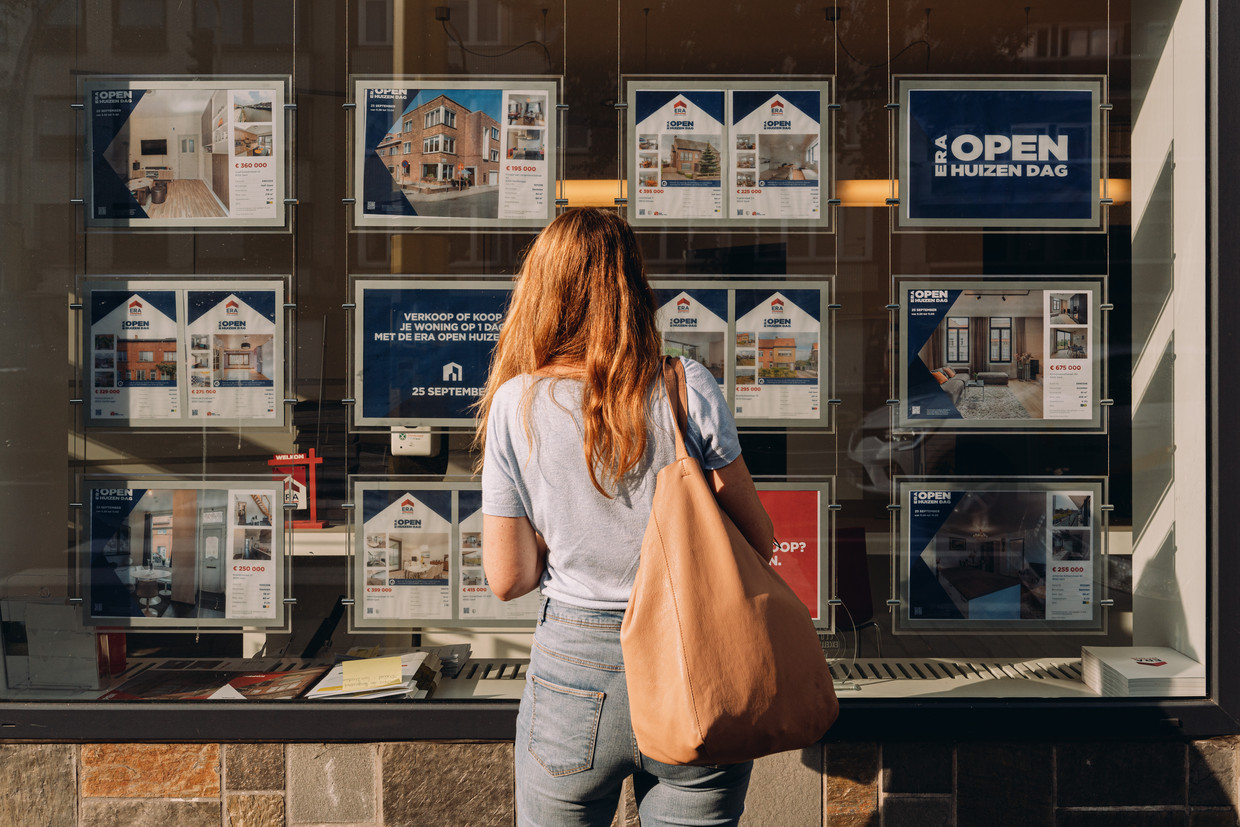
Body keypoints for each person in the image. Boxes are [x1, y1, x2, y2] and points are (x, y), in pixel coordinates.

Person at [475, 208, 774, 826]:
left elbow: (509, 578)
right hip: (696, 658)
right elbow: (759, 541)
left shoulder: (514, 403)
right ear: (634, 287)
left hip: (574, 671)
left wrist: (563, 525)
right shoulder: (685, 385)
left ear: (540, 291)